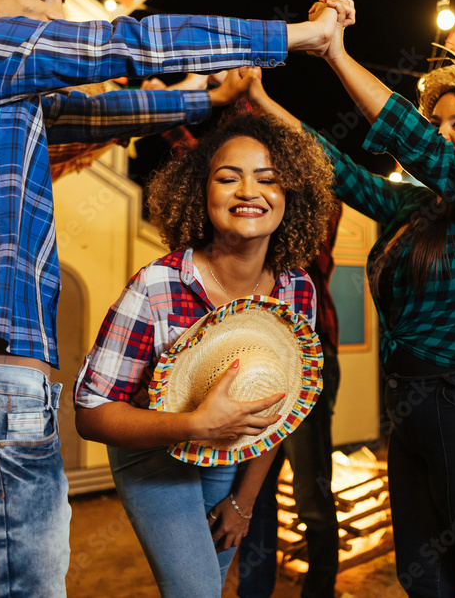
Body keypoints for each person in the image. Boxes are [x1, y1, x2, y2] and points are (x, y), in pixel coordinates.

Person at [0, 0, 339, 593]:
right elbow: (124, 45)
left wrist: (203, 101)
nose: (55, 13)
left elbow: (97, 113)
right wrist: (295, 39)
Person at [245, 0, 455, 597]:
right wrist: (261, 103)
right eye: (437, 121)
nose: (442, 134)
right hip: (412, 412)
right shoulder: (411, 209)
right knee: (425, 582)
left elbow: (418, 148)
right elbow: (332, 165)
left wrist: (334, 53)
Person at [72, 110, 337, 597]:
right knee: (195, 590)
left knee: (207, 587)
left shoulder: (296, 287)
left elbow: (281, 407)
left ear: (290, 196)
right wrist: (196, 425)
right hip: (152, 450)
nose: (248, 191)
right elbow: (91, 413)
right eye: (227, 178)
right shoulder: (158, 286)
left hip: (228, 453)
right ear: (201, 193)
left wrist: (245, 501)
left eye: (268, 179)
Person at [237, 203, 342, 598]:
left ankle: (319, 592)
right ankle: (254, 591)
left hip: (309, 361)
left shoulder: (313, 211)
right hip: (255, 362)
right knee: (253, 492)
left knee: (311, 493)